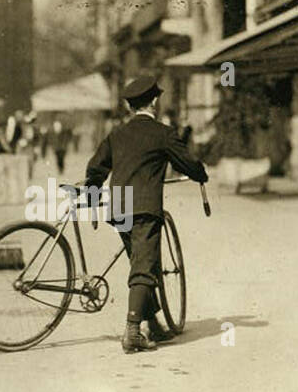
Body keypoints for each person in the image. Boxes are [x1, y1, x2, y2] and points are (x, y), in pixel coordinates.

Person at [82, 74, 209, 354]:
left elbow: (95, 169)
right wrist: (201, 174)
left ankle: (153, 324)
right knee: (143, 264)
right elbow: (187, 163)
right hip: (144, 208)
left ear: (130, 107)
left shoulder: (116, 135)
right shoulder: (162, 134)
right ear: (154, 102)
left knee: (142, 260)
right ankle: (133, 330)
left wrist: (91, 198)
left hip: (118, 208)